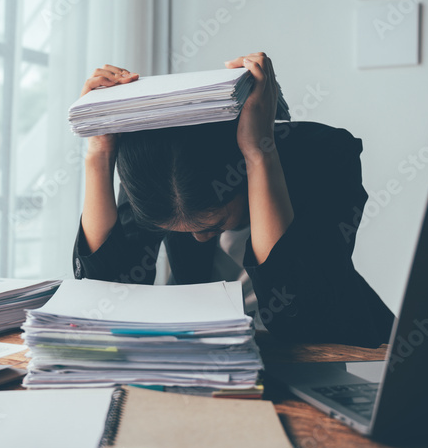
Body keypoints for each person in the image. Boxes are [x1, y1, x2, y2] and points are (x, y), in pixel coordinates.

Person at [72, 52, 394, 347]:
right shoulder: (159, 171)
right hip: (199, 351)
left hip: (326, 349)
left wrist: (259, 154)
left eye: (214, 223)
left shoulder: (326, 157)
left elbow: (302, 316)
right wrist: (99, 153)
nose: (198, 238)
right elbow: (107, 294)